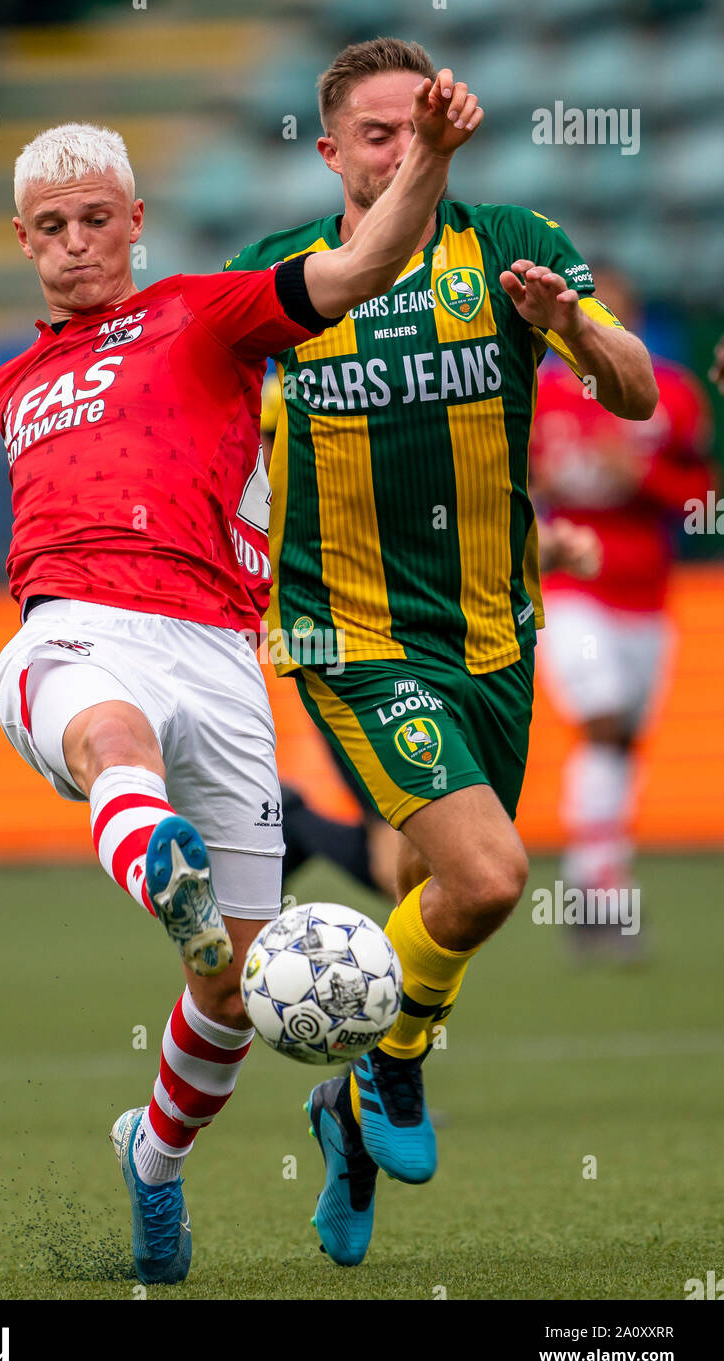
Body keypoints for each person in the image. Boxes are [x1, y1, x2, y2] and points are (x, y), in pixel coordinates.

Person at [0, 90, 481, 1284]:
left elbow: (364, 261)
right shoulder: (8, 383)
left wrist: (430, 154)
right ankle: (159, 853)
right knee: (111, 739)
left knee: (236, 984)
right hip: (75, 629)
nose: (72, 245)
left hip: (217, 653)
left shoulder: (198, 315)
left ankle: (151, 1161)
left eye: (93, 220)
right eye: (48, 225)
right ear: (21, 240)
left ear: (135, 221)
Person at [224, 36, 659, 1266]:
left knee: (432, 893)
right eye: (378, 133)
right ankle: (393, 1066)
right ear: (327, 153)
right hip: (349, 637)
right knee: (485, 878)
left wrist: (568, 321)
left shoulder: (510, 240)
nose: (404, 149)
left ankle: (343, 1115)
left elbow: (630, 393)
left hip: (491, 637)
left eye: (417, 127)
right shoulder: (276, 274)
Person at [530, 267, 716, 959]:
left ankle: (590, 883)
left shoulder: (669, 391)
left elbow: (701, 493)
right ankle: (598, 899)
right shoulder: (537, 394)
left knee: (622, 740)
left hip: (649, 594)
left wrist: (641, 476)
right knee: (602, 723)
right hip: (571, 589)